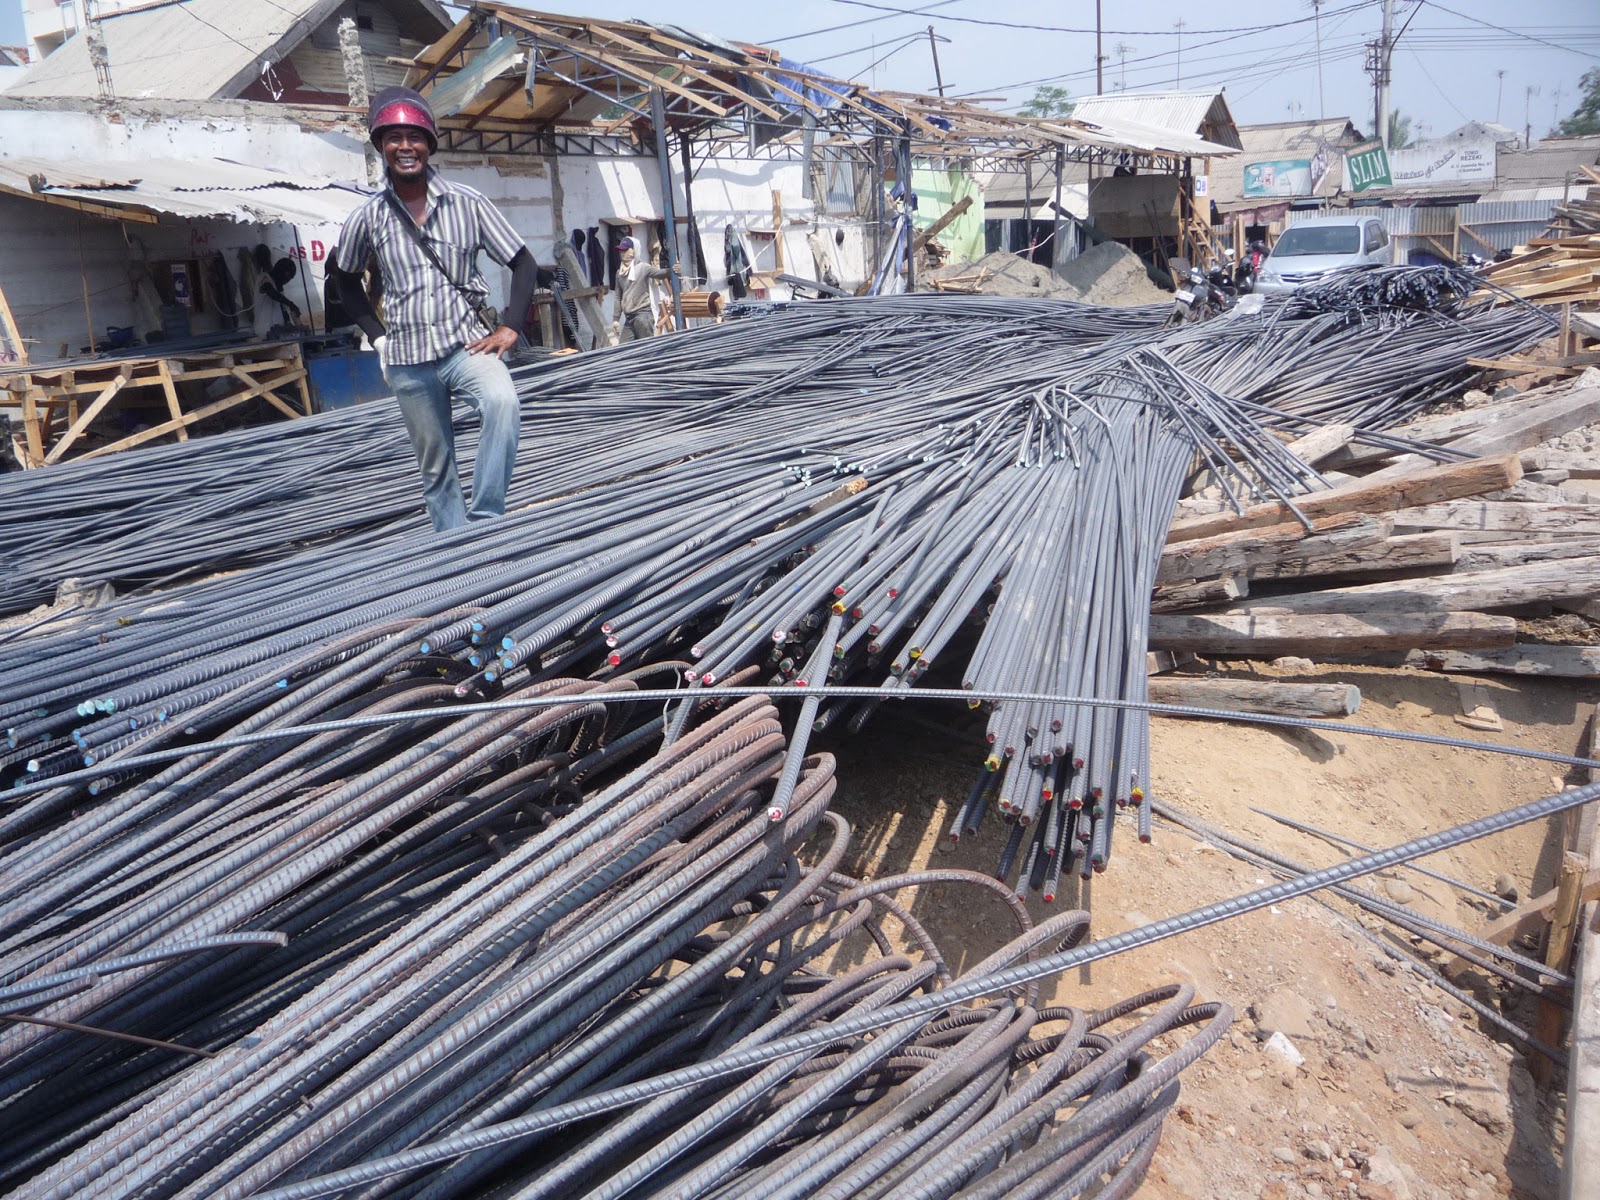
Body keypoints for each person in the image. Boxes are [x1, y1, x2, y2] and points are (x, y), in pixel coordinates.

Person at [328, 85, 537, 532]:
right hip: (408, 361)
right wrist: (377, 336)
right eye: (394, 138)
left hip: (466, 348)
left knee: (502, 403)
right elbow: (343, 279)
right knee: (436, 468)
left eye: (415, 137)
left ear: (429, 144)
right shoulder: (368, 217)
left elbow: (522, 262)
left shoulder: (468, 202)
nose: (405, 147)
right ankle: (455, 555)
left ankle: (484, 521)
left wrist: (511, 325)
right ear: (381, 147)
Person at [615, 236, 675, 342]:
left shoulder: (642, 268)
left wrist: (673, 270)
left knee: (647, 349)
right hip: (629, 318)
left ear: (634, 251)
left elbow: (659, 274)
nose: (622, 253)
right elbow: (618, 297)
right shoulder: (619, 273)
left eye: (625, 250)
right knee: (623, 350)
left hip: (643, 316)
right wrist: (615, 320)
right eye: (620, 250)